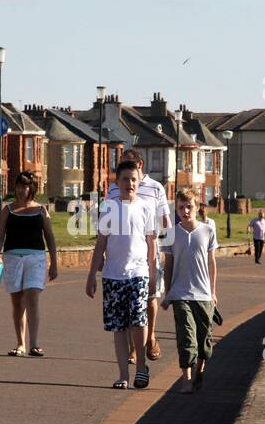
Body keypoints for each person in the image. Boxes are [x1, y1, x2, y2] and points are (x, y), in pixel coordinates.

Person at [86, 159, 157, 390]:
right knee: (118, 326)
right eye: (125, 179)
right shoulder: (108, 207)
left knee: (138, 318)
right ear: (117, 182)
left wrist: (153, 274)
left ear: (139, 181)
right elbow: (101, 243)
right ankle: (123, 375)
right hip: (113, 274)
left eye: (134, 179)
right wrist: (91, 276)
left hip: (138, 272)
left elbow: (151, 243)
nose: (130, 183)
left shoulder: (146, 207)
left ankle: (141, 365)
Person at [106, 149, 171, 363]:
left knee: (151, 297)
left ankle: (150, 336)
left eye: (130, 165)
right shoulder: (113, 190)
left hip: (149, 250)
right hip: (121, 256)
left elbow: (165, 221)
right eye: (122, 166)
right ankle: (134, 349)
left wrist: (171, 247)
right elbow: (106, 220)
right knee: (127, 308)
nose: (126, 172)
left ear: (140, 164)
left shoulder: (156, 187)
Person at [0, 170, 58, 357]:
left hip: (35, 258)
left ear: (32, 188)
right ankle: (20, 343)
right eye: (19, 186)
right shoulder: (8, 210)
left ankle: (34, 343)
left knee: (32, 297)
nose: (22, 190)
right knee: (18, 301)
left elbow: (50, 237)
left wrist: (54, 263)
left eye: (26, 186)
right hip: (12, 257)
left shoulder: (41, 210)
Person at [161, 189, 217, 394]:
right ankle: (186, 379)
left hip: (203, 294)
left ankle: (200, 372)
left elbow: (212, 263)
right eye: (181, 207)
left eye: (189, 207)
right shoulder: (171, 234)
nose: (185, 211)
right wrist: (168, 293)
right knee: (186, 337)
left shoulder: (208, 230)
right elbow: (168, 265)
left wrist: (213, 292)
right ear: (176, 209)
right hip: (180, 294)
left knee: (204, 341)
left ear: (197, 207)